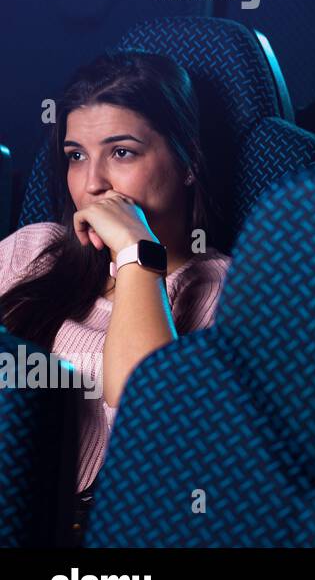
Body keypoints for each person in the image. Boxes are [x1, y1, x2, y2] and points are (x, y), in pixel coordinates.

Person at [0, 53, 231, 536]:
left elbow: (148, 434)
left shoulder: (227, 290)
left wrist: (134, 252)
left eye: (121, 152)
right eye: (76, 156)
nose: (92, 184)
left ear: (187, 160)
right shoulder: (34, 246)